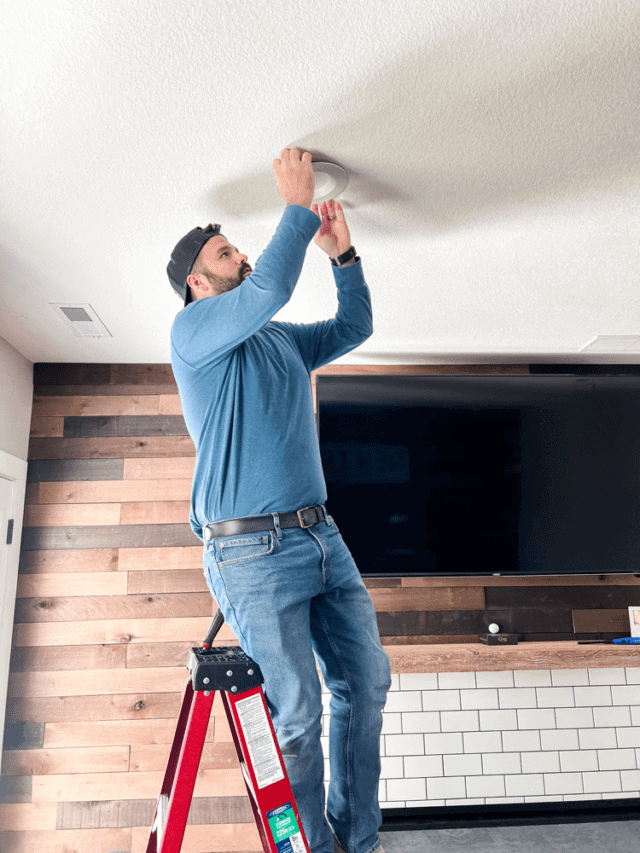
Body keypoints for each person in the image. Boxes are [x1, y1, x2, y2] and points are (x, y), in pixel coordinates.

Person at [167, 147, 391, 853]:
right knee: (296, 712)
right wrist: (295, 208)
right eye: (227, 252)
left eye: (237, 247)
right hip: (248, 550)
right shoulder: (193, 334)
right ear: (200, 283)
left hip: (322, 536)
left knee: (367, 682)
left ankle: (358, 840)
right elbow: (266, 290)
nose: (241, 257)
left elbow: (355, 328)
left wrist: (343, 256)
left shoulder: (282, 345)